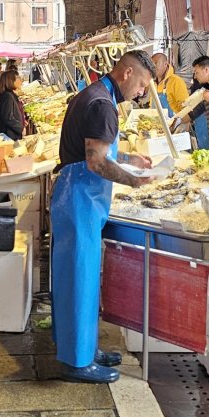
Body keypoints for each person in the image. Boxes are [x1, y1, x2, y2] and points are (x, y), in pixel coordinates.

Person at [50, 50, 157, 383]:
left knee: (76, 278)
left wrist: (128, 157)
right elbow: (96, 161)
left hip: (75, 196)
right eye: (142, 84)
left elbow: (97, 148)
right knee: (78, 279)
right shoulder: (103, 105)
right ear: (126, 73)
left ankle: (82, 347)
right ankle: (77, 363)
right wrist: (133, 180)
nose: (142, 93)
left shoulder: (95, 94)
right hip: (79, 197)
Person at [0, 69, 26, 141]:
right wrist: (21, 128)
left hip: (10, 135)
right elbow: (8, 118)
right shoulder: (7, 96)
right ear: (11, 81)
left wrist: (22, 121)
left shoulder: (10, 95)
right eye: (18, 78)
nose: (21, 81)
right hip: (8, 135)